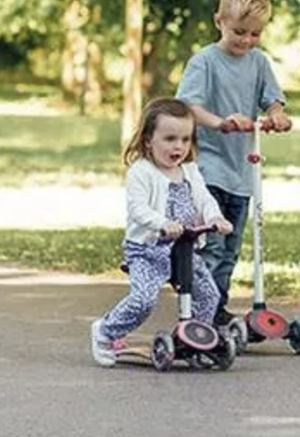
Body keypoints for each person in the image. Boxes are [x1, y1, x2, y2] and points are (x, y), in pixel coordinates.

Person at [176, 0, 292, 327]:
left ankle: (217, 308)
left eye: (255, 33)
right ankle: (202, 313)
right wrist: (220, 123)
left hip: (242, 173)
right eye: (239, 31)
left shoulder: (258, 62)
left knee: (230, 250)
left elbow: (272, 98)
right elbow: (188, 106)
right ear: (219, 21)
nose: (246, 40)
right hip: (209, 170)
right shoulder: (205, 62)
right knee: (211, 246)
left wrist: (276, 114)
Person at [90, 98, 233, 366]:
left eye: (185, 139)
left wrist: (215, 217)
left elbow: (203, 199)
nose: (178, 146)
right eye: (169, 138)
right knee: (143, 300)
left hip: (183, 249)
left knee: (209, 295)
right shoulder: (141, 172)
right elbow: (138, 210)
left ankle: (194, 340)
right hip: (147, 249)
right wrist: (162, 223)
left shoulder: (189, 170)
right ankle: (105, 331)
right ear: (147, 140)